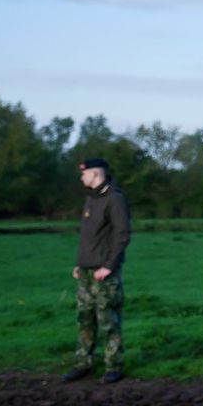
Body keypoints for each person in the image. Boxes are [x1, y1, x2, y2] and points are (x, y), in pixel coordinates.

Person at [63, 156, 130, 384]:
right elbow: (90, 238)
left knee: (107, 321)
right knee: (84, 319)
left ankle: (114, 366)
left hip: (104, 274)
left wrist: (108, 267)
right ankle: (83, 363)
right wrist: (79, 264)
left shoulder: (114, 198)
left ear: (95, 174)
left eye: (84, 173)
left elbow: (122, 236)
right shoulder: (91, 199)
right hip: (85, 272)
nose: (81, 177)